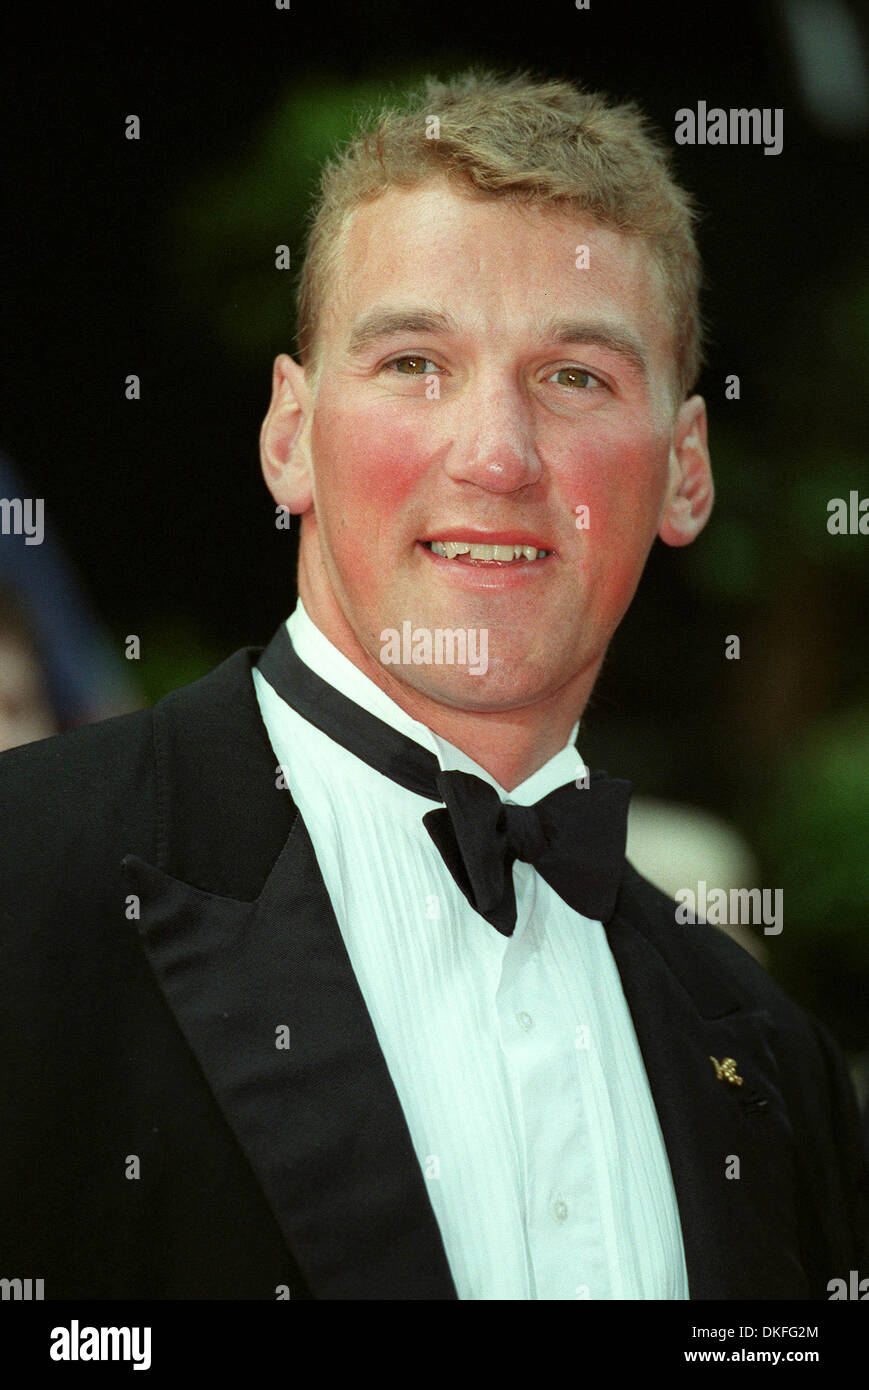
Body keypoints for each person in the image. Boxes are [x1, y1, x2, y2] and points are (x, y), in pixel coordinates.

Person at [0, 69, 866, 1301]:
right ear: (288, 434)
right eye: (415, 361)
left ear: (683, 472)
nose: (498, 456)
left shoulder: (771, 1060)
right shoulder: (24, 886)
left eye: (576, 377)